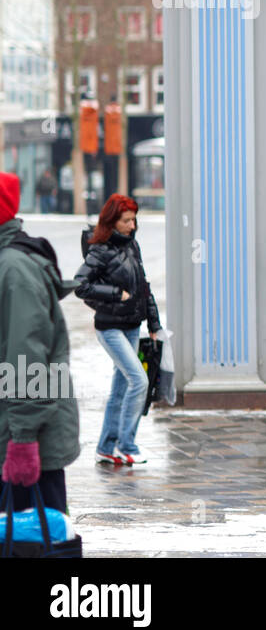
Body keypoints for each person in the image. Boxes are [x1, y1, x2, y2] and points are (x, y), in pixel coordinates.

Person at [0, 172, 79, 514]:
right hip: (16, 427)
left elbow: (27, 358)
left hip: (25, 436)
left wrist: (24, 437)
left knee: (33, 543)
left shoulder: (14, 270)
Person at [73, 193, 160, 466]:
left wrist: (154, 323)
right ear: (112, 221)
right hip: (110, 328)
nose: (132, 225)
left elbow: (144, 287)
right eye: (126, 220)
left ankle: (106, 447)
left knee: (121, 389)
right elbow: (80, 285)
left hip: (133, 326)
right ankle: (127, 445)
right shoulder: (100, 249)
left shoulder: (133, 246)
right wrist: (114, 293)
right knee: (139, 381)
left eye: (134, 219)